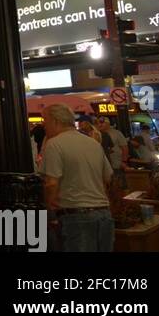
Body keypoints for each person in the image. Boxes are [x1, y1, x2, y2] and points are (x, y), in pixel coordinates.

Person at [41, 103, 114, 252]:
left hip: (76, 217)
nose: (44, 125)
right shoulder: (93, 144)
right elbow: (108, 177)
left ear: (55, 121)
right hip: (104, 215)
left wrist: (46, 210)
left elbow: (51, 184)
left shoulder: (54, 144)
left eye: (45, 120)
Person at [96, 117, 128, 189]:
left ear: (108, 124)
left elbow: (124, 148)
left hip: (116, 163)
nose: (100, 125)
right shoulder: (96, 134)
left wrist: (124, 161)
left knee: (118, 184)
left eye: (102, 123)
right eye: (98, 123)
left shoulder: (117, 133)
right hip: (103, 163)